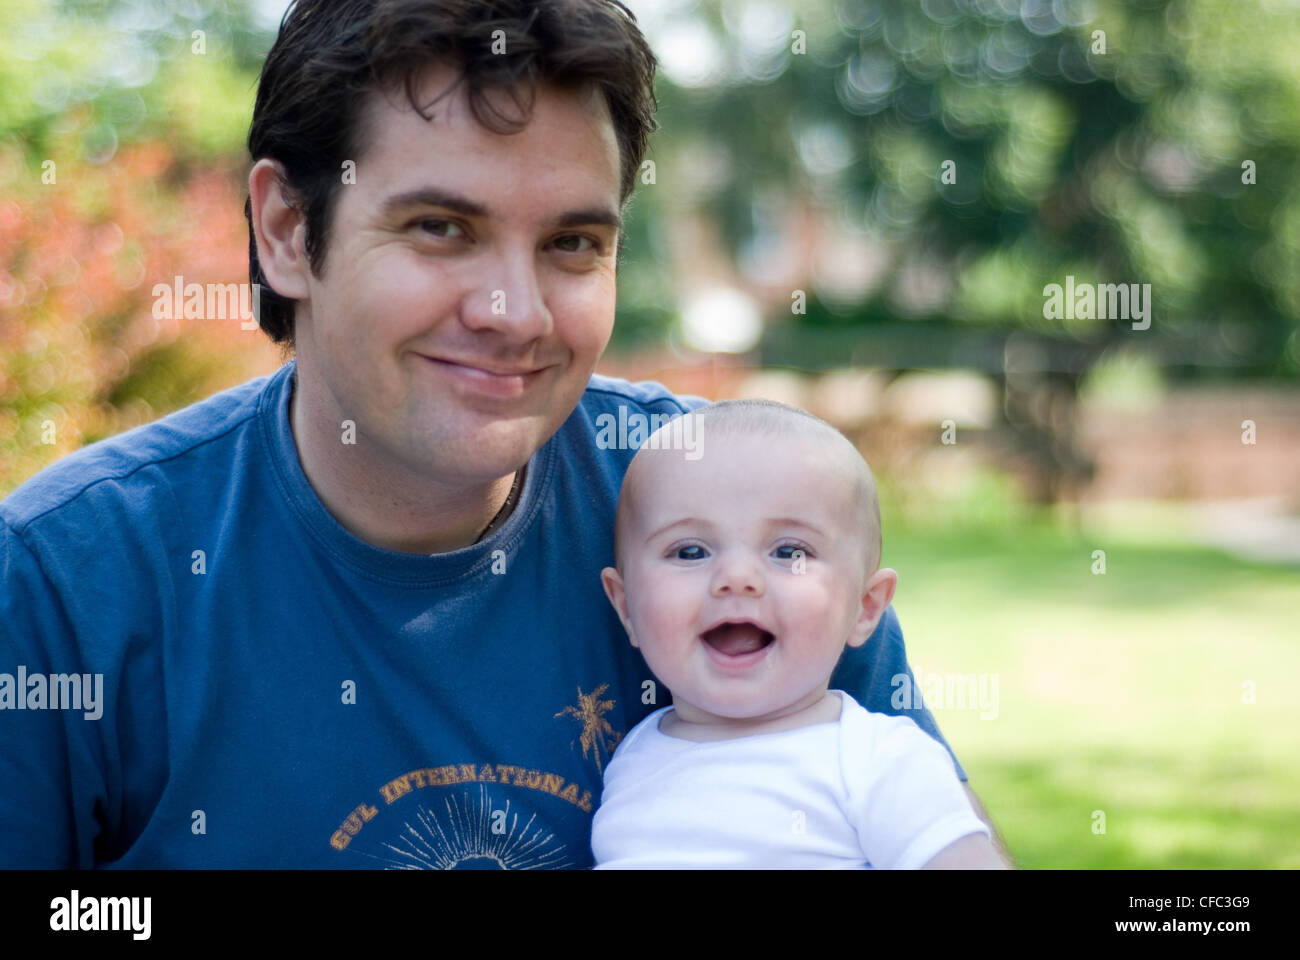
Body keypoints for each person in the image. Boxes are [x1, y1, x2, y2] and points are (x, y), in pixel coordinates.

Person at [0, 0, 1007, 869]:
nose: (514, 311)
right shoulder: (68, 582)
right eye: (442, 228)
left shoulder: (733, 511)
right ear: (286, 233)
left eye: (572, 243)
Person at [592, 400, 1004, 868]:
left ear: (865, 608)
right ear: (625, 607)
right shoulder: (630, 759)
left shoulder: (878, 760)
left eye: (790, 551)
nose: (737, 577)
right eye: (689, 551)